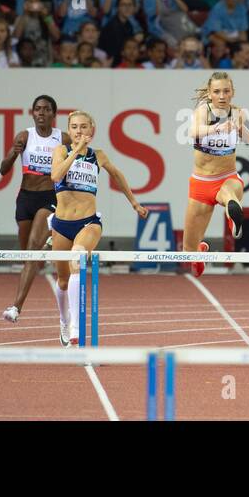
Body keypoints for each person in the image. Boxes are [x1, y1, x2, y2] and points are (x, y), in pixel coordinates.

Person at [49, 111, 149, 346]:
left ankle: (75, 326)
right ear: (69, 130)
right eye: (74, 127)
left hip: (88, 222)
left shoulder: (98, 156)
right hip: (62, 224)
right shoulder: (61, 151)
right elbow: (55, 175)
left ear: (91, 130)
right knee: (62, 280)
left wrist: (134, 202)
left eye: (83, 127)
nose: (79, 131)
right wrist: (75, 151)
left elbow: (118, 175)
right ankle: (64, 320)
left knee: (78, 259)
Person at [182, 72, 249, 277]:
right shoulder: (204, 111)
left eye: (226, 91)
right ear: (210, 94)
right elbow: (193, 132)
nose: (221, 96)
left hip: (227, 178)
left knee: (229, 196)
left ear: (232, 93)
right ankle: (197, 255)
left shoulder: (238, 114)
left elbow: (245, 134)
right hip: (201, 184)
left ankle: (233, 215)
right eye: (217, 91)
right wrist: (217, 128)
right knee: (187, 250)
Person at [0, 96, 62, 324]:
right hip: (25, 199)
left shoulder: (61, 138)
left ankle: (16, 307)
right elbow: (3, 170)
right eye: (38, 109)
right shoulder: (25, 136)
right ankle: (46, 245)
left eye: (46, 109)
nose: (41, 113)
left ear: (54, 114)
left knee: (33, 251)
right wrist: (13, 153)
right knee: (29, 254)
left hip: (49, 198)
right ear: (32, 113)